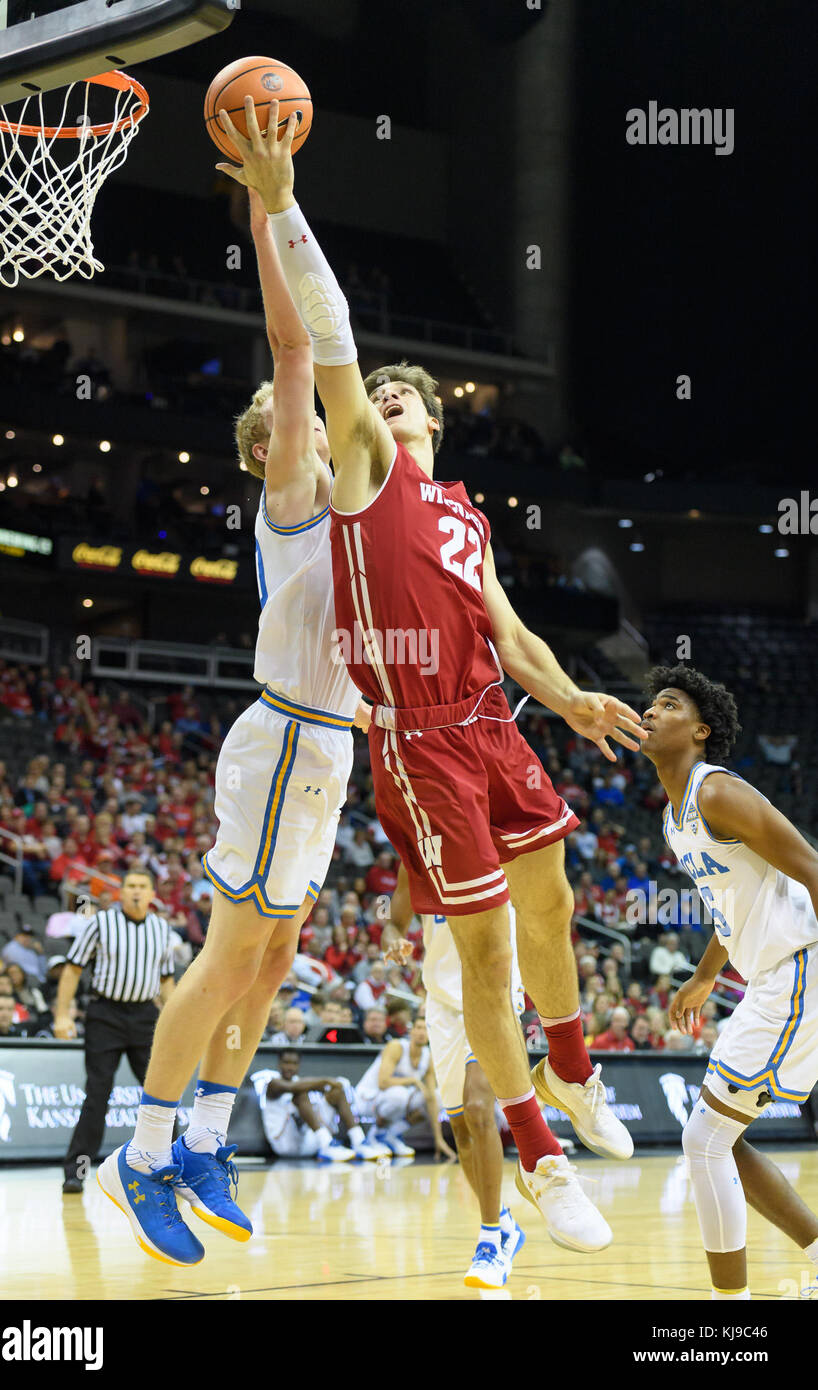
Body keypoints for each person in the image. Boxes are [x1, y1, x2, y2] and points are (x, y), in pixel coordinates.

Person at [218, 100, 644, 1253]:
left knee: (555, 904)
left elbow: (508, 633)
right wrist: (279, 201)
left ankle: (573, 1071)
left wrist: (566, 698)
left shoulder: (462, 512)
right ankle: (541, 1167)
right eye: (381, 393)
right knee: (488, 949)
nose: (386, 400)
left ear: (438, 420)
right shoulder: (361, 469)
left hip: (493, 722)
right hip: (414, 742)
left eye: (406, 395)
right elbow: (330, 332)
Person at [98, 184, 366, 1268]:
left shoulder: (360, 509)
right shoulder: (293, 488)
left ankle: (206, 1141)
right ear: (271, 449)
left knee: (271, 963)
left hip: (330, 744)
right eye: (289, 425)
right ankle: (141, 1152)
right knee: (224, 958)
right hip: (284, 737)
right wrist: (270, 209)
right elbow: (294, 346)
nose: (306, 428)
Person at [642, 663, 818, 1301]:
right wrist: (704, 975)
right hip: (772, 975)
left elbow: (810, 868)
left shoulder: (716, 792)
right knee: (724, 1138)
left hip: (800, 965)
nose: (651, 712)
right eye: (651, 703)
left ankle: (730, 1314)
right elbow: (731, 907)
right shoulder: (674, 816)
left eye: (667, 704)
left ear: (700, 730)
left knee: (705, 1139)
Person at [387, 862, 525, 1288]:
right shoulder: (418, 849)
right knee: (461, 1129)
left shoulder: (502, 841)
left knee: (482, 1108)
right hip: (443, 1003)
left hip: (496, 991)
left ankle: (489, 1243)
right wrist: (394, 940)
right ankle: (503, 1222)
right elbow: (394, 920)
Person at [54, 869, 175, 1195]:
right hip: (105, 1014)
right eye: (130, 886)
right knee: (97, 1094)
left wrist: (175, 1022)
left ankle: (180, 1164)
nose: (136, 892)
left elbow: (166, 982)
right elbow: (73, 969)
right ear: (121, 892)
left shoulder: (162, 929)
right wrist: (62, 1014)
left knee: (161, 1093)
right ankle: (76, 1170)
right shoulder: (99, 923)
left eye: (142, 887)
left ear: (152, 894)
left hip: (145, 1016)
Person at [250, 1050, 388, 1161]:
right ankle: (327, 1144)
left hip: (308, 1143)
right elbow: (293, 1087)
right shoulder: (273, 1083)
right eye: (286, 1063)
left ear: (298, 1065)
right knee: (300, 1094)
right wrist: (328, 1081)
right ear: (279, 1064)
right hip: (284, 1145)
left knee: (337, 1092)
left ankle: (358, 1142)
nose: (290, 1067)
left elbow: (315, 1086)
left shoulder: (301, 1081)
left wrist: (333, 1085)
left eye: (294, 1063)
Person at [353, 1009, 453, 1162]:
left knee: (437, 1098)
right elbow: (383, 1082)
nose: (422, 1032)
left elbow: (431, 1097)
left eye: (426, 1029)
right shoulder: (396, 1046)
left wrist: (438, 1139)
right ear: (411, 1031)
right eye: (418, 1028)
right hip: (367, 1097)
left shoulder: (428, 1056)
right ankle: (373, 1137)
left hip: (395, 1100)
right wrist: (412, 1081)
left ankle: (390, 1135)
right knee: (399, 1095)